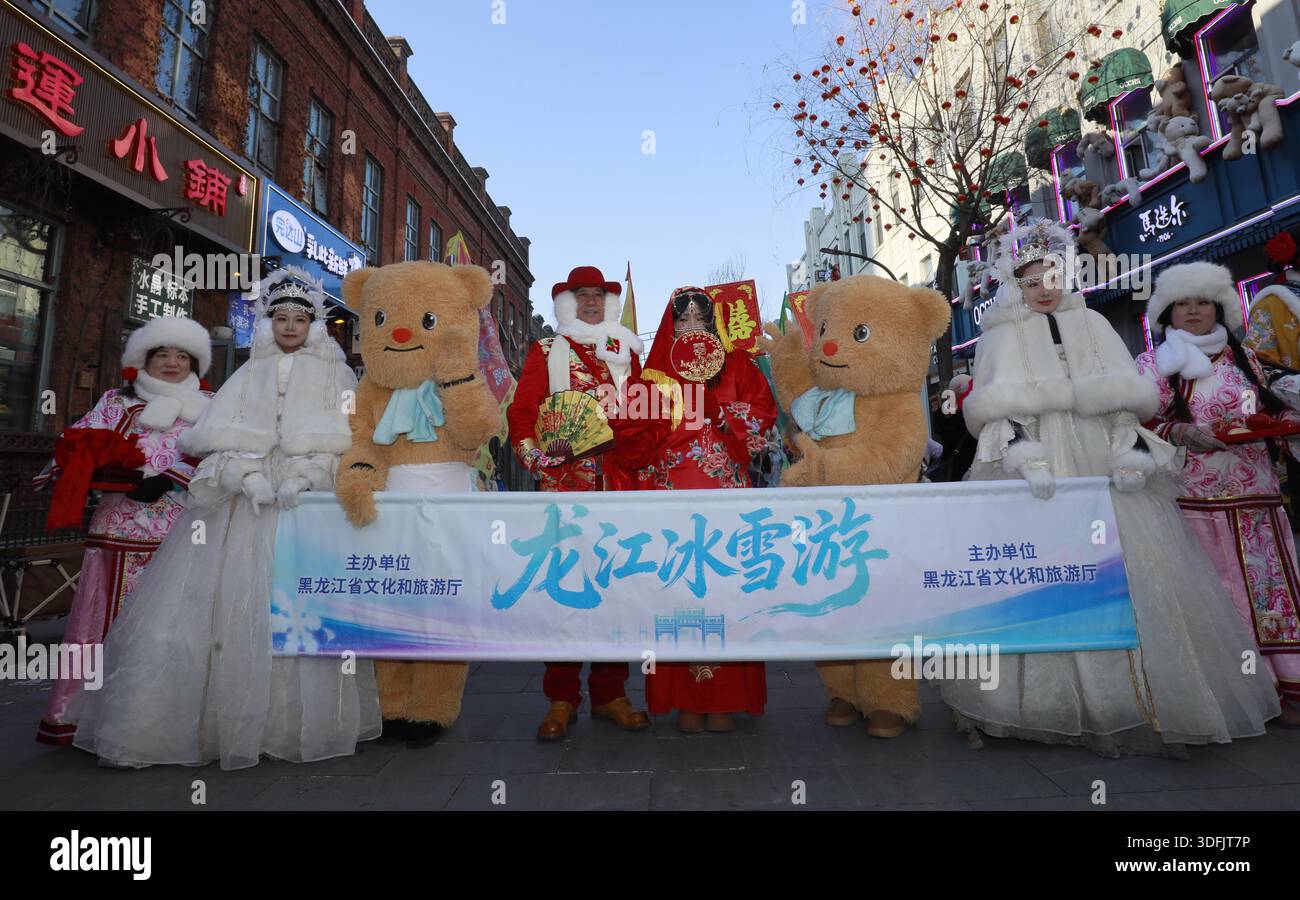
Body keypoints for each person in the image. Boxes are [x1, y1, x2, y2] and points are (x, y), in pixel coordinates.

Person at [940, 221, 1280, 757]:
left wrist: (1129, 454)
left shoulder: (1096, 323)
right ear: (1016, 284)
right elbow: (995, 417)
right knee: (1041, 572)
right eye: (1032, 281)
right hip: (1042, 469)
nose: (1045, 288)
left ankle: (1142, 701)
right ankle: (1038, 705)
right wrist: (1024, 459)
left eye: (1053, 276)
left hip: (1100, 462)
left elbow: (1128, 406)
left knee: (1130, 572)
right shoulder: (999, 336)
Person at [72, 269, 380, 769]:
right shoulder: (246, 375)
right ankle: (209, 724)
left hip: (305, 508)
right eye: (280, 318)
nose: (289, 327)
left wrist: (309, 475)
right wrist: (243, 475)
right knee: (216, 603)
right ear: (267, 323)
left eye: (299, 319)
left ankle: (286, 723)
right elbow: (219, 439)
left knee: (294, 607)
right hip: (242, 506)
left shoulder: (338, 377)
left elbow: (346, 439)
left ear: (313, 325)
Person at [34, 316, 212, 745]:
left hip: (185, 533)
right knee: (100, 625)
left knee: (171, 628)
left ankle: (159, 723)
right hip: (117, 532)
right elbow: (75, 444)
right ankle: (89, 720)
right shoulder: (116, 403)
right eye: (162, 354)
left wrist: (171, 478)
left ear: (195, 363)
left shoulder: (213, 408)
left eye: (182, 355)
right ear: (143, 360)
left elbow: (225, 457)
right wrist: (91, 466)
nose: (172, 363)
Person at [1136, 261, 1300, 726]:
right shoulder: (1152, 367)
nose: (1193, 311)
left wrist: (1283, 424)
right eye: (1184, 303)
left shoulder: (1246, 359)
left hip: (1258, 501)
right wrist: (1179, 431)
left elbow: (1270, 414)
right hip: (1193, 503)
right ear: (1167, 311)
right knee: (1218, 597)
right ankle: (1236, 693)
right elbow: (1131, 425)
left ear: (1219, 308)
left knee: (1270, 595)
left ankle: (1283, 688)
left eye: (1203, 302)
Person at [506, 265, 655, 740]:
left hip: (620, 485)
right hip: (564, 487)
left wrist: (640, 440)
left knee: (617, 588)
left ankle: (612, 691)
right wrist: (538, 461)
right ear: (569, 303)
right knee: (564, 591)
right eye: (582, 296)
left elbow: (648, 410)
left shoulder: (628, 353)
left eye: (598, 296)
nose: (591, 303)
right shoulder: (546, 351)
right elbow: (523, 412)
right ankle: (562, 696)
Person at [640, 286, 776, 732]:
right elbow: (633, 434)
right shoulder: (654, 375)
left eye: (701, 320)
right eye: (684, 320)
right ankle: (683, 697)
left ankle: (726, 697)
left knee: (725, 589)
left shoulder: (737, 365)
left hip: (725, 500)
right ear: (671, 325)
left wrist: (723, 416)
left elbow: (764, 415)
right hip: (671, 499)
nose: (692, 327)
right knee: (677, 591)